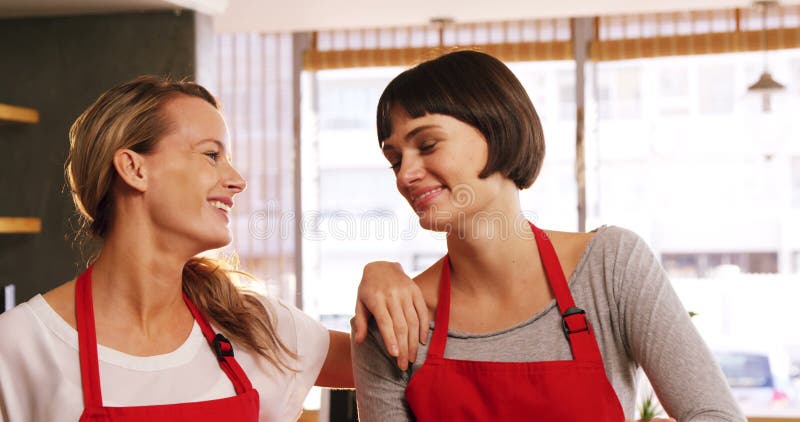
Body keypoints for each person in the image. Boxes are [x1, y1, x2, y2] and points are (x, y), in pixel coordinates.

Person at [0, 76, 424, 422]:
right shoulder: (19, 346)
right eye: (211, 155)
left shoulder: (254, 326)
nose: (237, 180)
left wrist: (385, 276)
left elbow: (402, 360)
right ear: (134, 168)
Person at [351, 50, 746, 421]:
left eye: (427, 145)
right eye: (395, 160)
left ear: (497, 128)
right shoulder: (395, 319)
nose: (405, 175)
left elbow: (716, 414)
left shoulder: (610, 267)